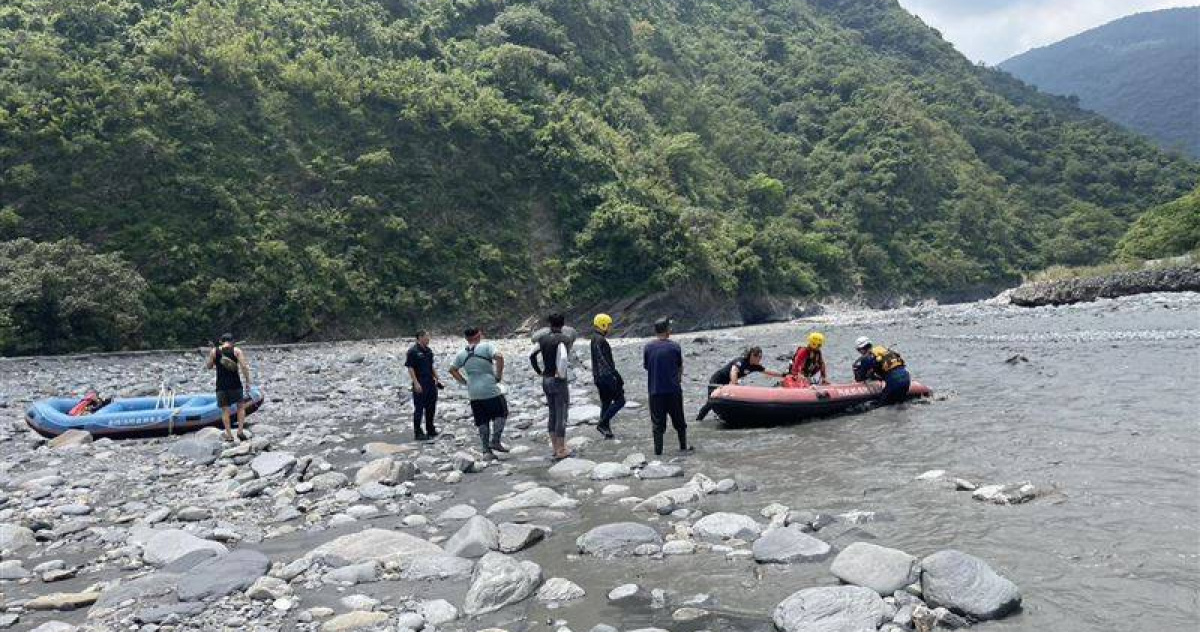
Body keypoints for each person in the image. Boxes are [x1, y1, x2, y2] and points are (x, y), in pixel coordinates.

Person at [449, 327, 509, 459]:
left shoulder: (461, 354)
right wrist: (498, 375)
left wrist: (464, 382)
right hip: (490, 389)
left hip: (473, 392)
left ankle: (485, 450)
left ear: (466, 338)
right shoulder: (486, 346)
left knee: (482, 420)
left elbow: (452, 369)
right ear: (478, 335)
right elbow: (499, 357)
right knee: (502, 412)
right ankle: (496, 441)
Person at [643, 317, 691, 455]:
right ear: (667, 330)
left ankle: (658, 453)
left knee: (657, 424)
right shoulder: (675, 347)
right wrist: (678, 379)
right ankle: (683, 447)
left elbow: (647, 366)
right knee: (679, 421)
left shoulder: (648, 348)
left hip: (655, 391)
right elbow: (679, 367)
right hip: (673, 391)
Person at [529, 313, 575, 460]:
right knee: (561, 414)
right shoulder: (565, 339)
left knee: (552, 413)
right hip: (558, 380)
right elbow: (562, 357)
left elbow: (532, 355)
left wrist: (538, 371)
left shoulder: (542, 339)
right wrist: (560, 373)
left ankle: (555, 448)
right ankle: (561, 449)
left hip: (546, 379)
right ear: (562, 324)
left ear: (549, 324)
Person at [696, 346, 785, 420]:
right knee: (710, 404)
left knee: (723, 404)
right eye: (759, 357)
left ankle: (723, 417)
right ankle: (699, 420)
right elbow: (733, 371)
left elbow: (767, 371)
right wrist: (734, 385)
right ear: (753, 356)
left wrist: (783, 375)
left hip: (727, 383)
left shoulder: (754, 366)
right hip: (717, 380)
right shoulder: (741, 361)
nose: (760, 359)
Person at [205, 333, 252, 442]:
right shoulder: (237, 351)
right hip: (235, 384)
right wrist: (248, 381)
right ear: (232, 341)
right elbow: (244, 366)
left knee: (225, 410)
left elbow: (209, 366)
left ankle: (229, 435)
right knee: (240, 407)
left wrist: (211, 356)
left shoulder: (214, 351)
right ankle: (240, 431)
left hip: (221, 385)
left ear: (221, 341)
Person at [405, 330, 444, 441]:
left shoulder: (428, 351)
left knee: (431, 407)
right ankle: (418, 432)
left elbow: (431, 366)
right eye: (426, 337)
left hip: (430, 382)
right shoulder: (413, 351)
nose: (428, 339)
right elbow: (410, 368)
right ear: (420, 338)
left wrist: (437, 378)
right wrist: (416, 383)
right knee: (419, 408)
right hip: (420, 382)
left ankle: (430, 429)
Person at [590, 313, 624, 439]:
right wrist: (615, 375)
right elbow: (603, 360)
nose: (610, 328)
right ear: (602, 324)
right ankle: (602, 423)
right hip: (605, 377)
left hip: (599, 377)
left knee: (606, 403)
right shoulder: (600, 340)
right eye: (609, 325)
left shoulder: (595, 338)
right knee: (620, 401)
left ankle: (607, 431)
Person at [852, 336, 911, 405]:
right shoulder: (884, 350)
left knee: (883, 405)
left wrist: (867, 374)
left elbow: (860, 378)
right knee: (899, 403)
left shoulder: (867, 358)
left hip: (894, 381)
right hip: (906, 378)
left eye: (858, 350)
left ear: (861, 349)